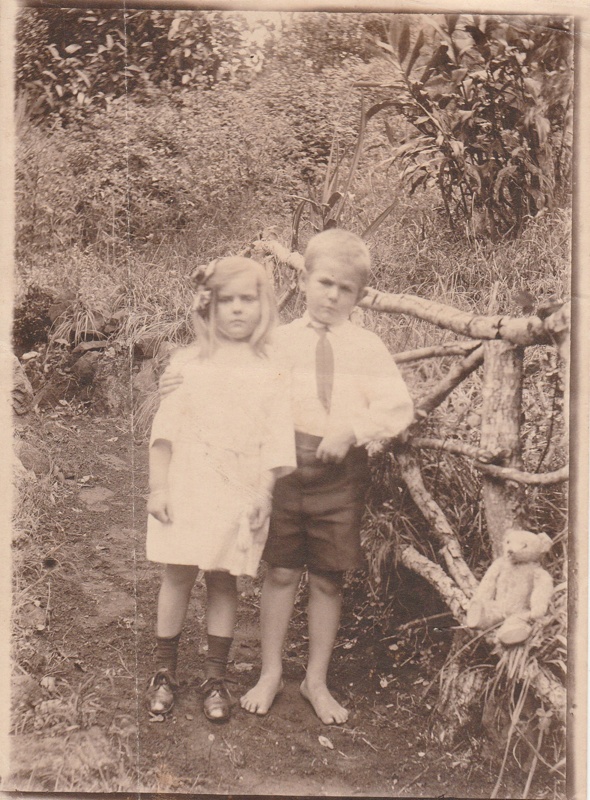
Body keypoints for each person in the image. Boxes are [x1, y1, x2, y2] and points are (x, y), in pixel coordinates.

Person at [160, 229, 414, 725]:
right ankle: (271, 670)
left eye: (345, 290)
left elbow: (397, 407)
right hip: (280, 468)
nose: (332, 297)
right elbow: (226, 372)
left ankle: (316, 679)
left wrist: (355, 428)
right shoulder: (275, 342)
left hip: (340, 474)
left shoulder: (367, 347)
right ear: (304, 279)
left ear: (359, 296)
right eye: (324, 283)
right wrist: (178, 376)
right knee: (278, 572)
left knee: (327, 578)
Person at [145, 256, 295, 724]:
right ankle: (164, 672)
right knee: (177, 572)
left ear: (263, 306)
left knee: (223, 578)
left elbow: (276, 439)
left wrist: (263, 494)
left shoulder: (270, 368)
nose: (236, 310)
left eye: (246, 300)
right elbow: (163, 433)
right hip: (189, 483)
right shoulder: (187, 363)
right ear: (208, 307)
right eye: (225, 300)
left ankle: (215, 676)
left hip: (237, 491)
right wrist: (158, 488)